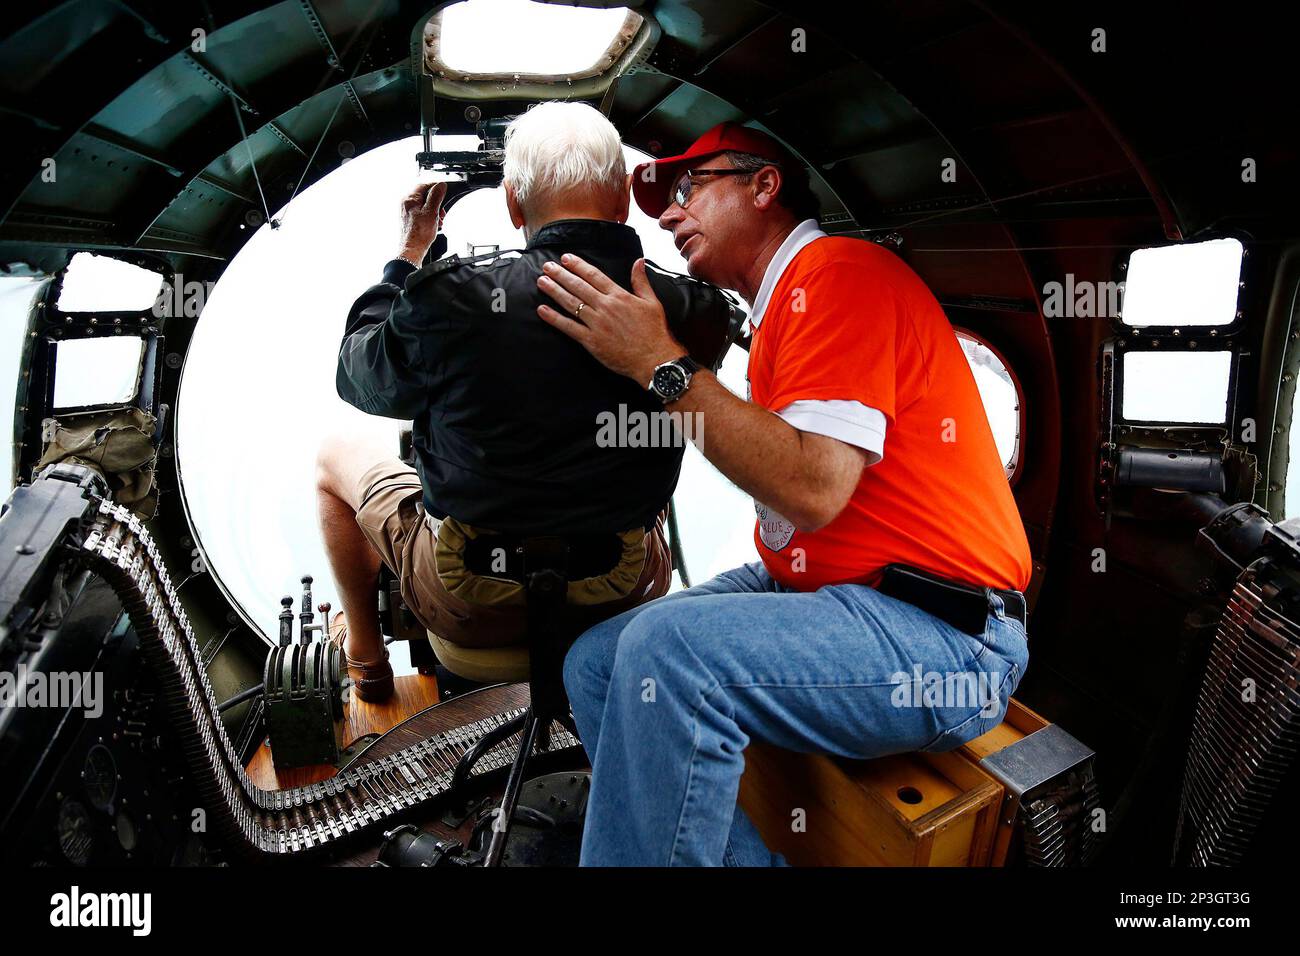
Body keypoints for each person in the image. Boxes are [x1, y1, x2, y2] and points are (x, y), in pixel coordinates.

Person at [537, 122, 1033, 865]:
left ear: (764, 185)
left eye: (688, 188)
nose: (669, 215)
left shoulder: (839, 273)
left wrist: (656, 363)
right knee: (596, 662)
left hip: (947, 638)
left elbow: (813, 486)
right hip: (833, 595)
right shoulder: (781, 312)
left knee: (669, 653)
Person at [317, 103, 737, 701]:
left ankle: (365, 658)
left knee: (334, 459)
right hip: (623, 593)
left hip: (468, 602)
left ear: (514, 204)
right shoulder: (695, 311)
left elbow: (358, 377)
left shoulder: (450, 298)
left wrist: (408, 255)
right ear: (622, 198)